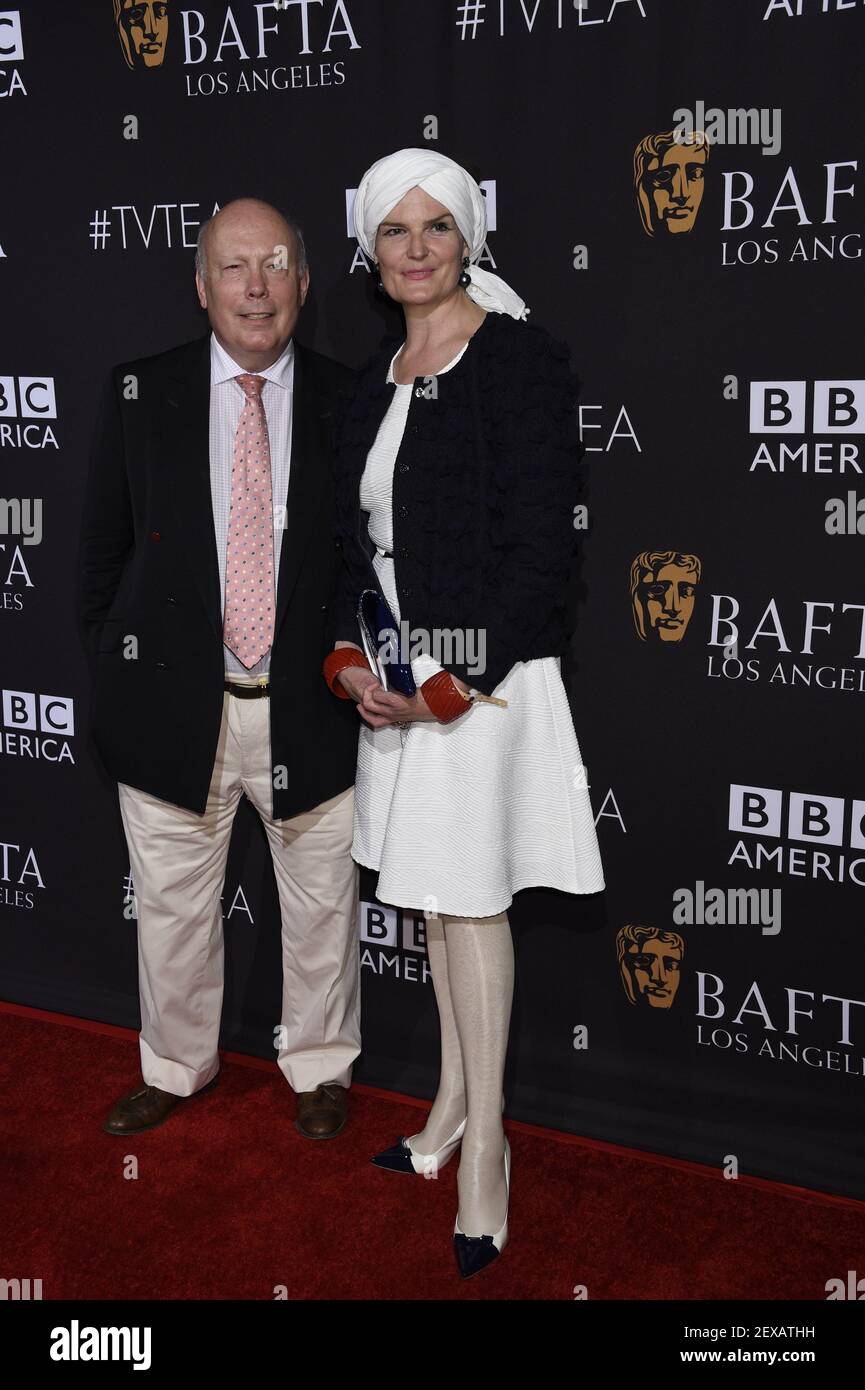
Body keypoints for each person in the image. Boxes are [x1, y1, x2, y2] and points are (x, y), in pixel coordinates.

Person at [322, 148, 605, 1277]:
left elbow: (546, 552)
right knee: (437, 909)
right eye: (398, 230)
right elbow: (356, 550)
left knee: (472, 911)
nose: (419, 248)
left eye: (440, 226)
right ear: (371, 250)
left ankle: (486, 1149)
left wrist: (452, 677)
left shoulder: (519, 360)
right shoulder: (373, 376)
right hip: (397, 692)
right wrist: (350, 657)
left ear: (470, 236)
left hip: (481, 693)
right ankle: (445, 1108)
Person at [77, 198, 361, 1142]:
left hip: (309, 708)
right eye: (233, 268)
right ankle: (175, 1065)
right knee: (169, 911)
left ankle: (320, 1067)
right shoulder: (137, 390)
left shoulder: (348, 397)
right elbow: (99, 560)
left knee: (322, 905)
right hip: (171, 710)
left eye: (274, 266)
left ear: (305, 284)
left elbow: (369, 564)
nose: (254, 287)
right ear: (199, 286)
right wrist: (118, 680)